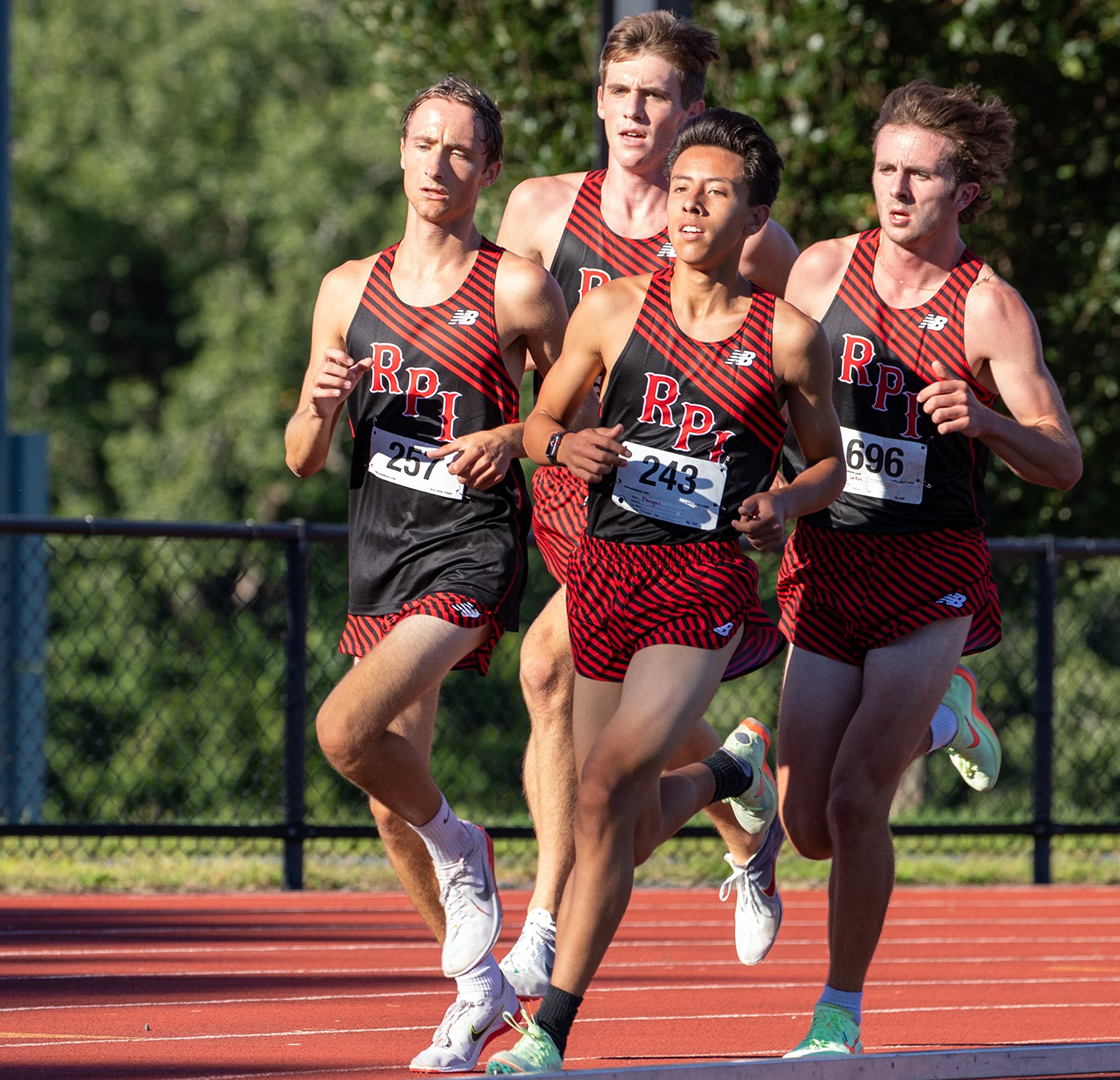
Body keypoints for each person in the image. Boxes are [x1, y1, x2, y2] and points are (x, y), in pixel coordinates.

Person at [484, 109, 844, 1074]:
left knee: (599, 787)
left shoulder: (791, 340)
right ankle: (730, 775)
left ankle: (547, 1033)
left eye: (714, 192)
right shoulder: (611, 311)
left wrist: (784, 502)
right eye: (682, 187)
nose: (688, 205)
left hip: (702, 586)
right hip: (608, 573)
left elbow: (831, 469)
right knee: (625, 827)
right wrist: (565, 444)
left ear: (755, 217)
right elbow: (537, 423)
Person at [772, 80, 1083, 1059]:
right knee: (808, 824)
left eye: (922, 174)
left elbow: (1062, 460)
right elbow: (757, 388)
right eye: (886, 169)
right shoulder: (820, 272)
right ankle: (950, 710)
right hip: (827, 560)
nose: (897, 190)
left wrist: (987, 419)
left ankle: (838, 1014)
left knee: (863, 795)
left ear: (967, 192)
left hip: (929, 571)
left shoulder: (987, 308)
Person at [285, 76, 568, 1073]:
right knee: (381, 789)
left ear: (488, 171)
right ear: (400, 152)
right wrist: (317, 405)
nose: (438, 165)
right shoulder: (344, 289)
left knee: (341, 729)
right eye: (424, 144)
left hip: (472, 546)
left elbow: (573, 421)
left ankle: (466, 848)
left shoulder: (518, 285)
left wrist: (511, 432)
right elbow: (301, 460)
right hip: (379, 547)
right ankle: (478, 991)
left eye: (460, 151)